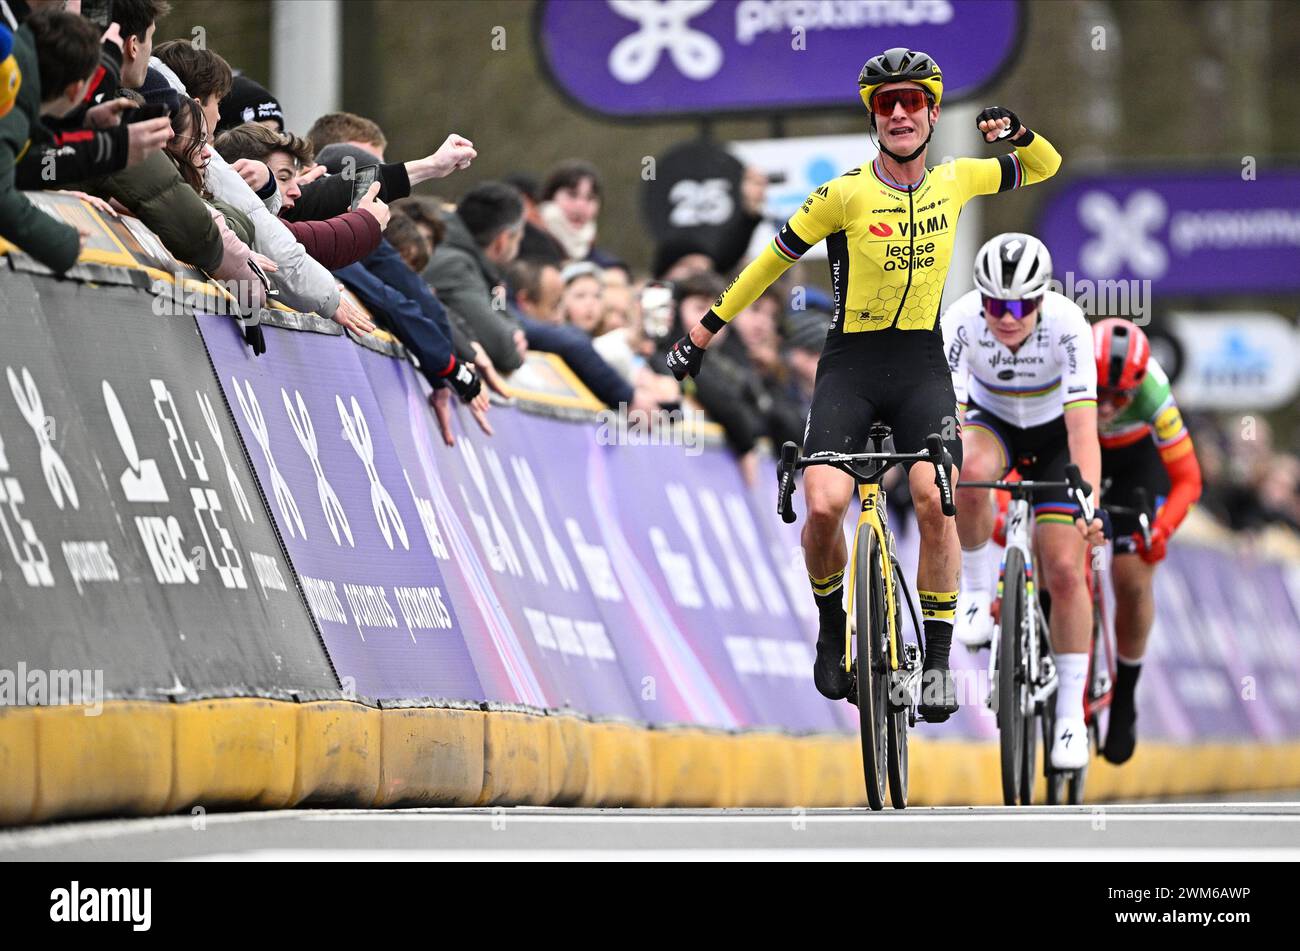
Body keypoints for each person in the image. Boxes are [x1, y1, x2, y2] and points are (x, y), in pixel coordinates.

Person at [665, 48, 1065, 723]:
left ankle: (936, 662)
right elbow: (765, 265)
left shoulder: (959, 179)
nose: (901, 112)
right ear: (874, 117)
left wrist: (1018, 135)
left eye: (912, 101)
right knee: (823, 504)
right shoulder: (843, 195)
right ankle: (831, 626)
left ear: (934, 113)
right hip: (849, 364)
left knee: (936, 496)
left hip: (919, 364)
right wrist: (704, 331)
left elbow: (1046, 166)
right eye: (886, 103)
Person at [943, 233, 1103, 769]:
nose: (1006, 318)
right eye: (995, 304)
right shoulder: (962, 321)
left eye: (1019, 306)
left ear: (1040, 299)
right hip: (994, 424)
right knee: (964, 468)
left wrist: (1090, 505)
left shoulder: (1068, 325)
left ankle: (1069, 718)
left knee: (1062, 566)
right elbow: (952, 419)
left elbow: (1083, 432)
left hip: (1057, 434)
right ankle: (975, 589)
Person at [1092, 319, 1202, 764]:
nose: (1106, 406)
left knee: (1131, 574)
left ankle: (1124, 697)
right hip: (1079, 451)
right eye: (1099, 392)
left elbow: (1189, 481)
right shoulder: (1069, 367)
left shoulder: (1154, 390)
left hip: (1136, 463)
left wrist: (1160, 531)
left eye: (1120, 398)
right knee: (1056, 539)